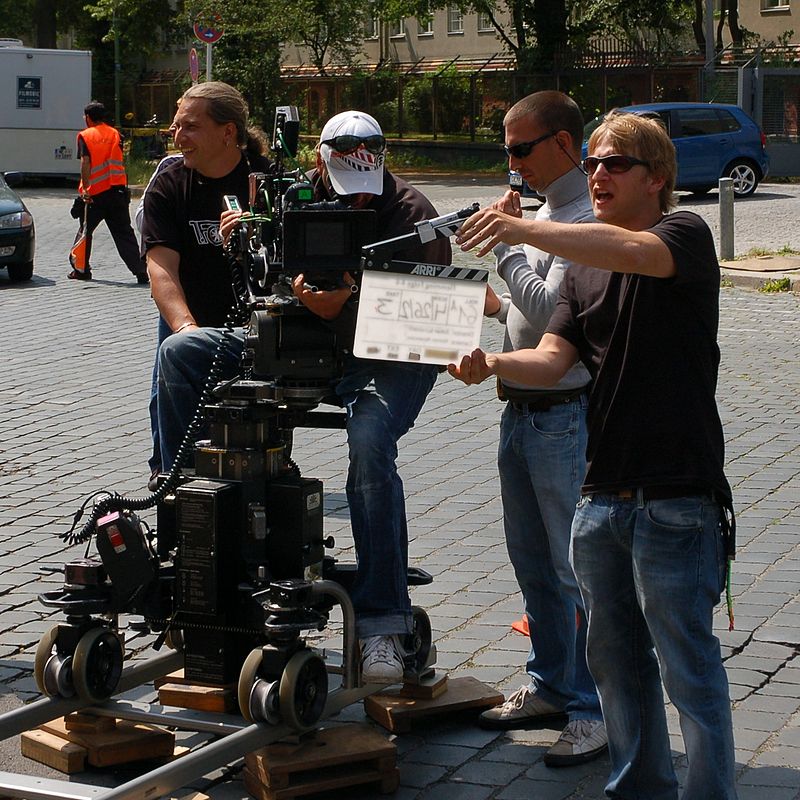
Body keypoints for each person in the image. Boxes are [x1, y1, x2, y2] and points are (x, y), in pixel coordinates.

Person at [450, 110, 737, 800]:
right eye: (595, 162)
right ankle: (638, 786)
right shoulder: (582, 268)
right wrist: (493, 362)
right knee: (615, 663)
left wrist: (518, 230)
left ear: (657, 178)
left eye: (615, 164)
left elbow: (629, 253)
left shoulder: (684, 235)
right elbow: (554, 358)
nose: (598, 174)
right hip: (602, 493)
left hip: (678, 495)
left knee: (688, 666)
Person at [144, 102, 451, 684]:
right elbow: (264, 286)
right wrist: (250, 245)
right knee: (181, 353)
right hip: (298, 341)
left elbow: (428, 325)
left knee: (369, 442)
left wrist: (346, 304)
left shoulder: (414, 214)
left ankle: (385, 620)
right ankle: (185, 534)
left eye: (362, 187)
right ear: (319, 160)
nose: (351, 199)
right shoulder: (288, 195)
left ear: (381, 163)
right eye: (340, 183)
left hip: (385, 356)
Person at [474, 91, 606, 768]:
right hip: (522, 410)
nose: (512, 162)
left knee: (571, 568)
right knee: (533, 565)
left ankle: (593, 710)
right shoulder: (550, 212)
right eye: (506, 149)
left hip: (562, 416)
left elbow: (554, 307)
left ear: (562, 144)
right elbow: (520, 313)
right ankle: (553, 685)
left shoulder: (583, 216)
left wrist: (506, 245)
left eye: (521, 148)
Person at [69, 101, 148, 283]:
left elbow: (86, 162)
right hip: (117, 191)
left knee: (85, 232)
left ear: (88, 117)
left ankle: (81, 270)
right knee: (123, 233)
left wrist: (86, 189)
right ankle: (140, 271)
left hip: (95, 194)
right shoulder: (115, 134)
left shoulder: (85, 135)